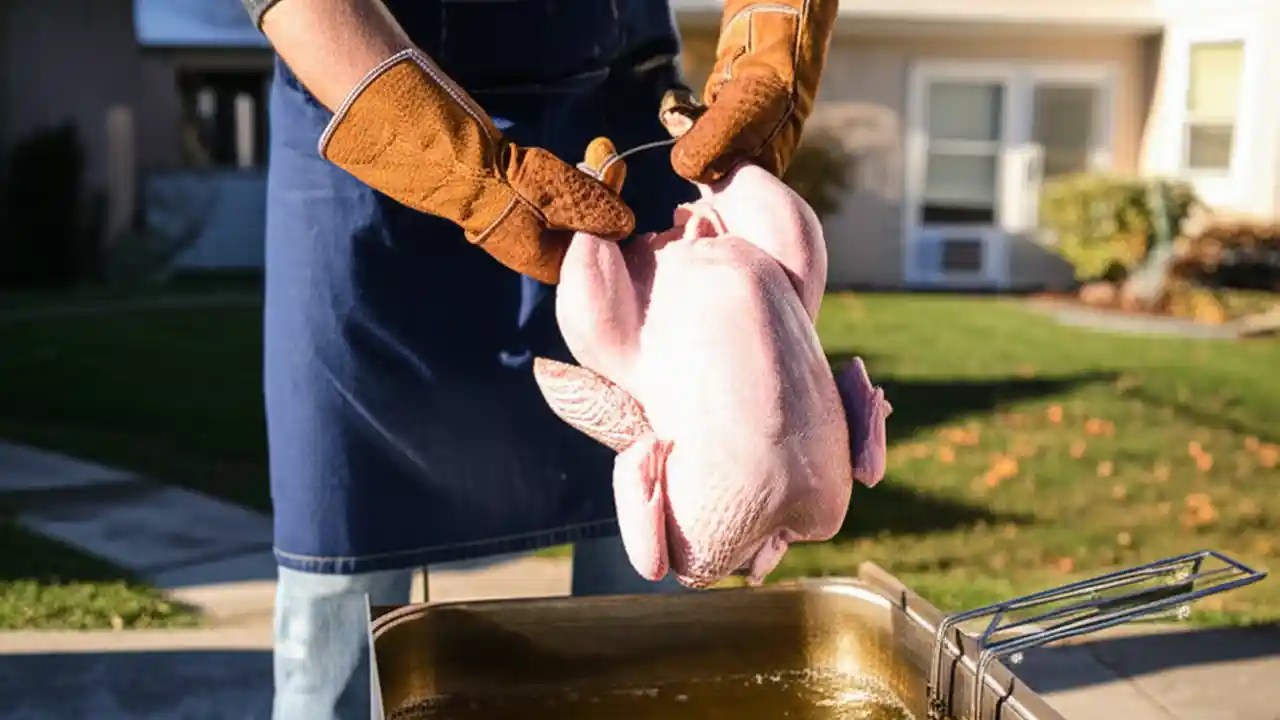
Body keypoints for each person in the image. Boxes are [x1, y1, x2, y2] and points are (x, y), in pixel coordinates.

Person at [242, 0, 838, 717]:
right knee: (338, 571)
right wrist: (465, 170)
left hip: (615, 124)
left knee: (646, 587)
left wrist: (769, 49)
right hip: (367, 119)